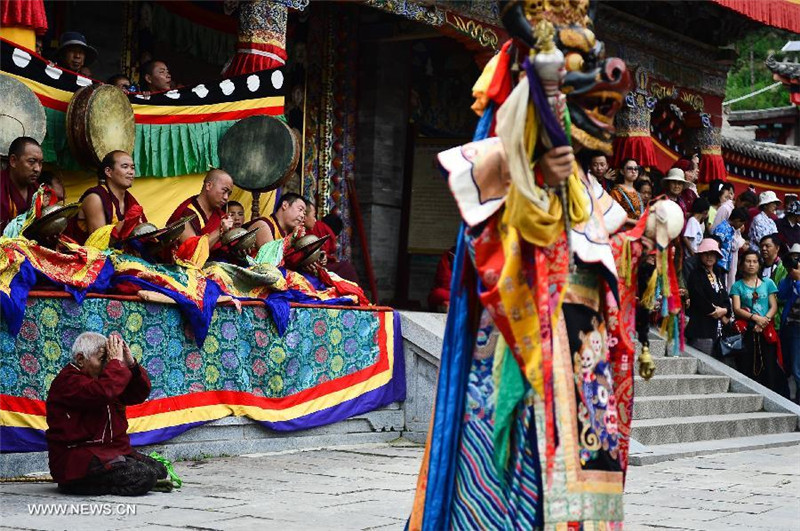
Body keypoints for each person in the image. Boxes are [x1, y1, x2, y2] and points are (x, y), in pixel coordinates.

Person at [46, 332, 169, 495]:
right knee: (144, 477)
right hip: (78, 459)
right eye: (102, 359)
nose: (108, 364)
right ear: (81, 359)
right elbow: (103, 392)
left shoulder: (108, 377)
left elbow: (137, 394)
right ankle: (75, 485)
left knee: (159, 470)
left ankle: (101, 480)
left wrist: (130, 363)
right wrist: (116, 363)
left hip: (111, 450)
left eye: (109, 359)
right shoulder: (68, 382)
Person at [731, 250, 789, 397]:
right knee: (748, 363)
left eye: (755, 261)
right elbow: (736, 309)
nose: (751, 264)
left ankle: (770, 396)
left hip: (766, 329)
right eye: (748, 261)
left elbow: (773, 306)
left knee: (769, 364)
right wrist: (755, 318)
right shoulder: (737, 286)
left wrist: (764, 321)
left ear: (759, 264)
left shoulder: (768, 283)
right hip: (748, 330)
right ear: (742, 264)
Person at [71, 150, 146, 244]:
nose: (131, 172)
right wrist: (126, 225)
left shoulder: (129, 199)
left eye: (132, 168)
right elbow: (98, 244)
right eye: (125, 167)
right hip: (90, 256)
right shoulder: (95, 198)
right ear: (108, 172)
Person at [685, 239, 731, 354]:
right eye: (706, 253)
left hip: (719, 330)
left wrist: (725, 310)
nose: (709, 256)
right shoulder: (696, 274)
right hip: (702, 328)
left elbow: (725, 297)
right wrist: (717, 312)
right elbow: (698, 298)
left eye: (712, 253)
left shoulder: (719, 274)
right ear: (700, 255)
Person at [168, 169, 234, 248]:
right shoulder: (187, 213)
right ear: (209, 186)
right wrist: (219, 231)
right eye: (224, 191)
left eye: (229, 194)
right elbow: (192, 251)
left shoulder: (220, 215)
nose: (226, 198)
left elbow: (231, 244)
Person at [1, 137, 44, 234]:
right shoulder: (2, 186)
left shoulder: (40, 192)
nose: (37, 169)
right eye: (31, 161)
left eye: (40, 163)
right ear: (13, 161)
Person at [778, 244, 800, 403]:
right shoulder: (791, 278)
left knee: (797, 368)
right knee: (788, 365)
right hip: (789, 327)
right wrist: (789, 275)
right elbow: (782, 294)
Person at [712, 207, 748, 289]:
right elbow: (716, 245)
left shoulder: (731, 230)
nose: (741, 226)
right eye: (741, 223)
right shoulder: (722, 229)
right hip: (719, 263)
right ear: (737, 220)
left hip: (725, 264)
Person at [610, 158, 644, 222]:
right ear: (622, 171)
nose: (633, 171)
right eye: (630, 168)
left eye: (636, 169)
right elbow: (614, 215)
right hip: (624, 229)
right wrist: (635, 222)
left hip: (638, 229)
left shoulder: (637, 192)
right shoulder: (616, 192)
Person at [428, 246, 455, 312]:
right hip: (449, 293)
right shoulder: (446, 259)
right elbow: (444, 282)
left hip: (461, 294)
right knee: (437, 294)